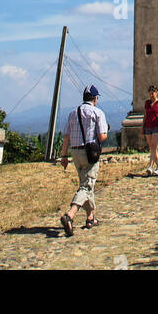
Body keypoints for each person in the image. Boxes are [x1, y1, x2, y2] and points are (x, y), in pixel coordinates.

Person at [59, 85, 108, 236]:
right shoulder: (97, 112)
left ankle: (90, 217)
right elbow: (101, 137)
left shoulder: (73, 113)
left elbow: (66, 136)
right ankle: (70, 215)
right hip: (90, 153)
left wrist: (64, 155)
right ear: (95, 98)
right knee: (87, 186)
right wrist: (106, 131)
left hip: (75, 152)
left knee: (86, 185)